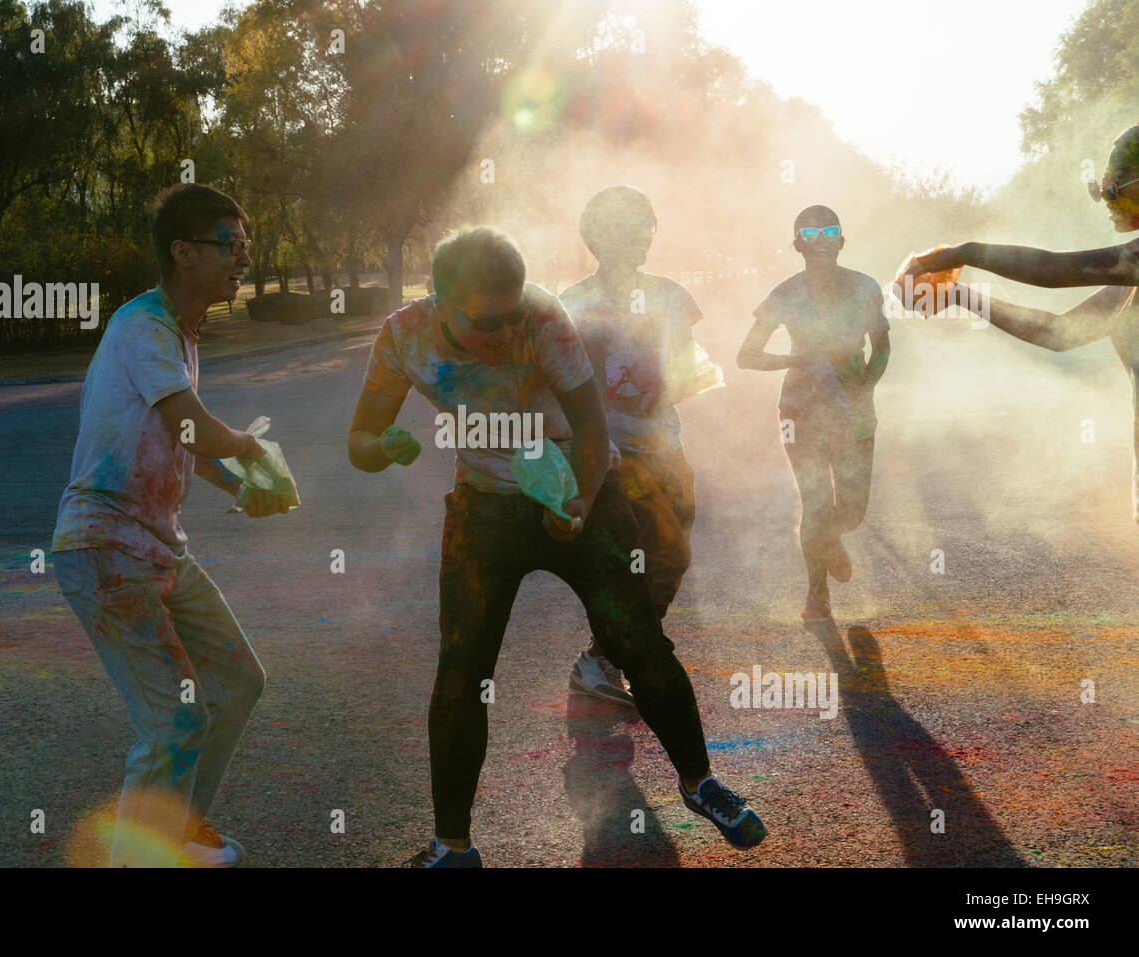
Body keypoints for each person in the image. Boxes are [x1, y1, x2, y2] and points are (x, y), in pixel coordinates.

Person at [348, 226, 767, 867]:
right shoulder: (404, 335)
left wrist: (580, 500)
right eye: (488, 321)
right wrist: (383, 449)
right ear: (441, 304)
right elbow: (361, 442)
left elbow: (595, 425)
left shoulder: (543, 317)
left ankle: (699, 783)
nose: (504, 332)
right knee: (461, 673)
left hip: (582, 489)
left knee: (638, 643)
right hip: (484, 508)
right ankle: (451, 846)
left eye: (512, 312)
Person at [52, 183, 292, 867]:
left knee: (238, 679)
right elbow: (194, 424)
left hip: (155, 547)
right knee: (173, 718)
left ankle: (177, 829)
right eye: (230, 245)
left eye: (245, 246)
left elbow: (179, 436)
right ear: (183, 252)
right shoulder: (145, 326)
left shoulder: (182, 335)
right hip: (104, 547)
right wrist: (249, 450)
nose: (242, 257)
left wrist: (242, 485)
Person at [902, 125, 1139, 519]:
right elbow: (1058, 333)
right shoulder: (1127, 284)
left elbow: (1053, 270)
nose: (1105, 201)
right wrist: (962, 296)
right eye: (1101, 189)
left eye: (1114, 190)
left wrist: (961, 253)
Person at [560, 186, 718, 705]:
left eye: (645, 226)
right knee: (622, 559)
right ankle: (610, 657)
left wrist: (666, 386)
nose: (640, 236)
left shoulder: (672, 296)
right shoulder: (571, 304)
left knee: (672, 554)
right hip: (605, 455)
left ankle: (609, 651)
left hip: (662, 446)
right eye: (626, 227)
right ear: (598, 237)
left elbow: (691, 368)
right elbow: (555, 381)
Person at [737, 206, 890, 623]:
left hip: (855, 412)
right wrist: (796, 358)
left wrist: (865, 385)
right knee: (817, 504)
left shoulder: (865, 288)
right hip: (799, 413)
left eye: (830, 231)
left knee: (853, 511)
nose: (821, 239)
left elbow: (882, 347)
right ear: (798, 245)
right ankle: (816, 597)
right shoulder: (784, 293)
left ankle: (830, 539)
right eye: (811, 232)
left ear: (842, 241)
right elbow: (745, 356)